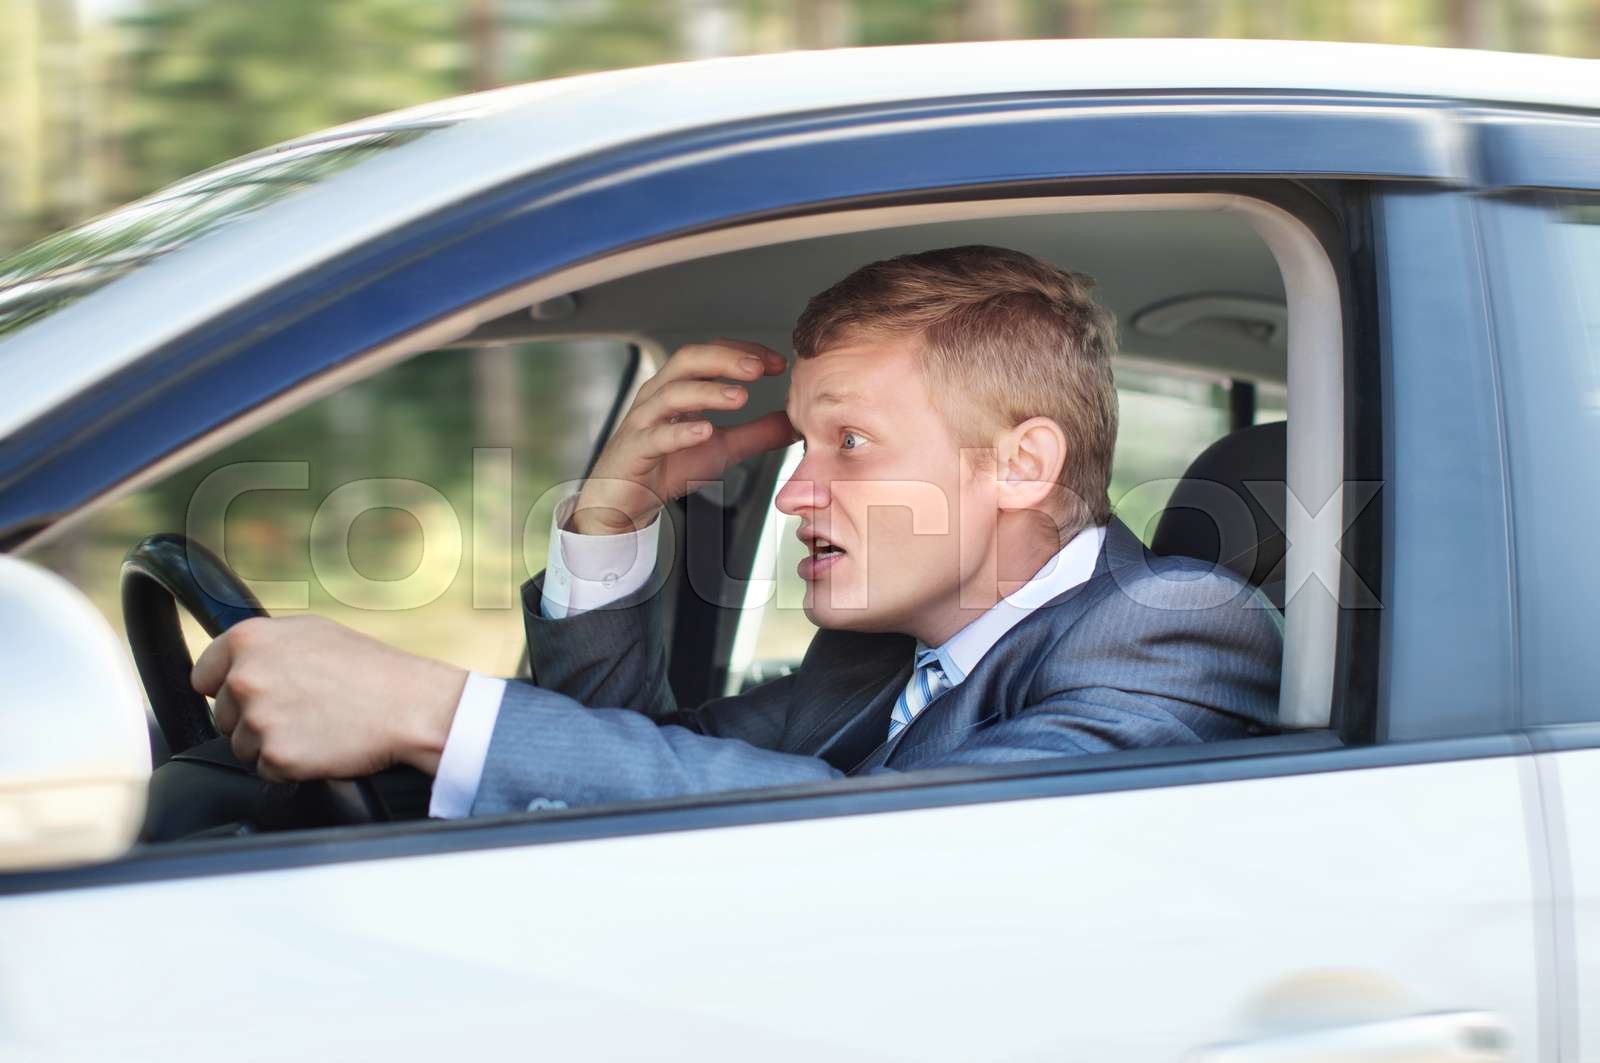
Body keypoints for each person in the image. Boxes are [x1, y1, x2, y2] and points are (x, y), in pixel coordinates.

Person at [191, 245, 1282, 818]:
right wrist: (607, 529)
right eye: (799, 446)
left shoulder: (1175, 627)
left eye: (849, 442)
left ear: (1020, 464)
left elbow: (910, 846)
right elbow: (642, 770)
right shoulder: (874, 653)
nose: (799, 491)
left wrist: (429, 709)